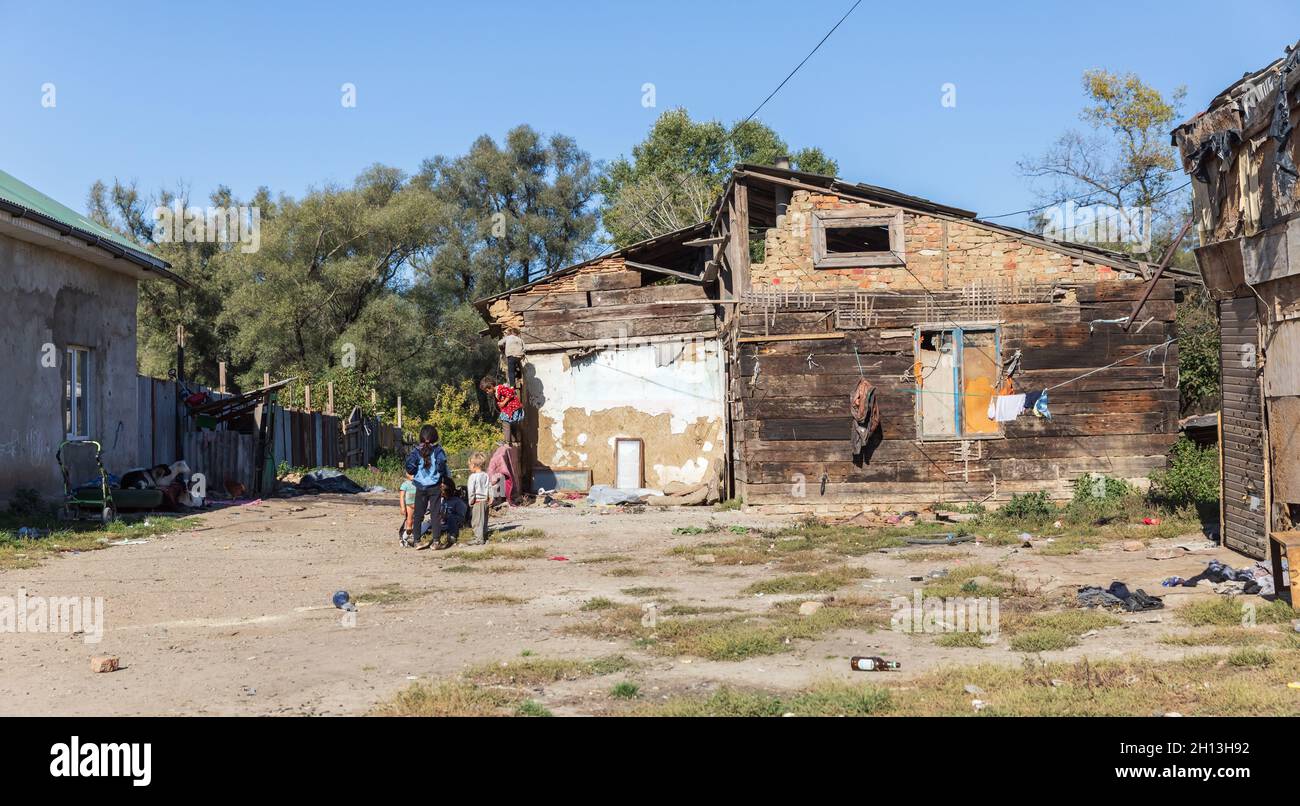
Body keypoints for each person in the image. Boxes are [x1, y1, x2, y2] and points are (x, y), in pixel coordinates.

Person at [403, 424, 452, 550]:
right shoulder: (438, 450)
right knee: (435, 514)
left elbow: (410, 467)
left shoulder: (415, 451)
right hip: (435, 486)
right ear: (435, 437)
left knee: (418, 514)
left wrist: (415, 473)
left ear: (421, 437)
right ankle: (436, 542)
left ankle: (417, 540)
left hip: (420, 486)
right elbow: (442, 465)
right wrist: (442, 476)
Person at [480, 375, 523, 444]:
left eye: (487, 391)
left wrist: (503, 402)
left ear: (491, 386)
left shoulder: (500, 388)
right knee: (511, 425)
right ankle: (515, 440)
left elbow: (510, 393)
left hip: (512, 408)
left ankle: (507, 441)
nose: (487, 393)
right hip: (509, 409)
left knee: (505, 423)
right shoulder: (496, 392)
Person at [466, 451, 491, 545]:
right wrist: (491, 497)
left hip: (477, 501)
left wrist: (470, 500)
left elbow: (471, 490)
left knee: (476, 521)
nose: (469, 467)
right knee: (484, 520)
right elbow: (489, 486)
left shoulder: (472, 477)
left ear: (473, 465)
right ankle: (484, 536)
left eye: (469, 465)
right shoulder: (486, 475)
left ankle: (479, 539)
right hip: (485, 500)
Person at [438, 477, 468, 545]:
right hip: (443, 523)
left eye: (442, 489)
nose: (441, 492)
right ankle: (415, 536)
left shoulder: (457, 501)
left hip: (455, 522)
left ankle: (452, 536)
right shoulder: (442, 500)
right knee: (428, 523)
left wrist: (448, 516)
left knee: (451, 517)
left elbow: (462, 516)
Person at [397, 477, 418, 546]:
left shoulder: (418, 483)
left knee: (418, 520)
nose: (413, 476)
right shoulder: (405, 484)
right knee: (409, 521)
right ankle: (404, 537)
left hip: (418, 504)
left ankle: (414, 536)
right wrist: (403, 507)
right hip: (409, 505)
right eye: (411, 474)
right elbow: (401, 496)